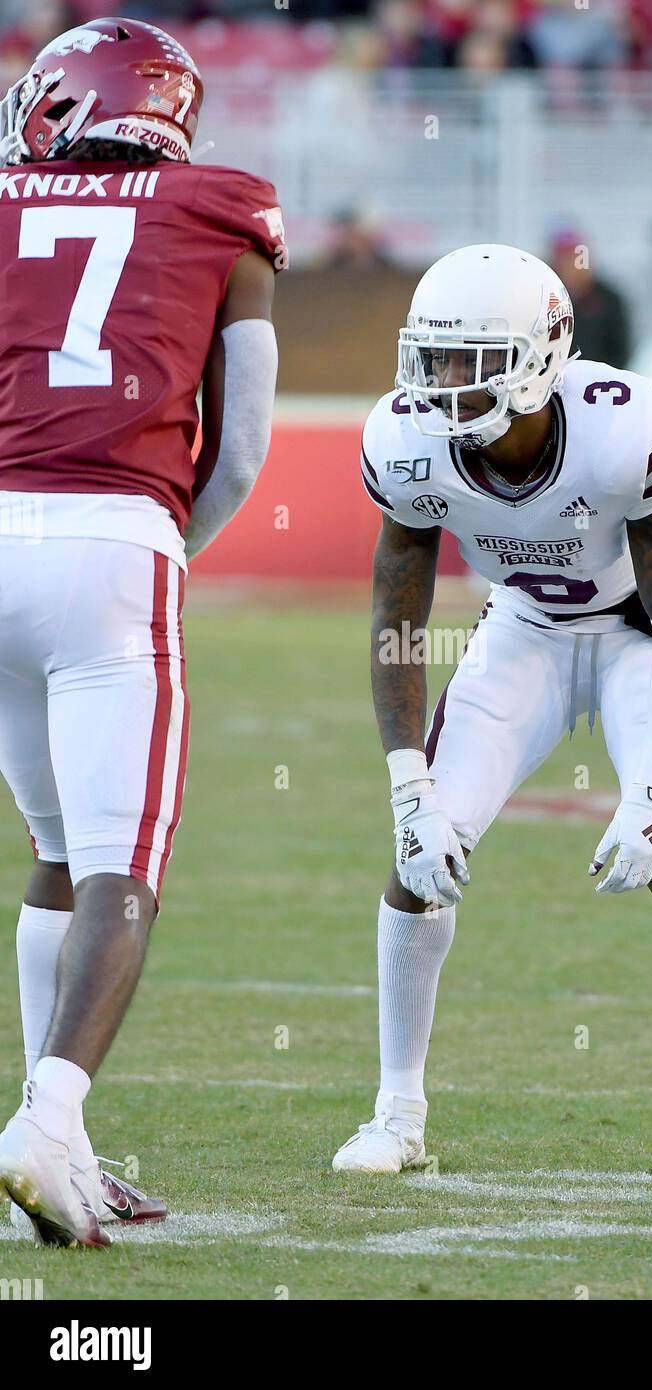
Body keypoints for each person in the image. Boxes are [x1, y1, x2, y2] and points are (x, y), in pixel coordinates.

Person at [332, 242, 652, 1185]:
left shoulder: (617, 427)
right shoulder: (406, 442)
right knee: (419, 856)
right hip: (523, 625)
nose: (444, 383)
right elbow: (397, 612)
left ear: (538, 359)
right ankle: (396, 1115)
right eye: (434, 359)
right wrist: (408, 788)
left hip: (640, 632)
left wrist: (649, 791)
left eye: (471, 359)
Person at [0, 17, 284, 1247]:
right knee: (124, 869)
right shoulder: (221, 211)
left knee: (57, 847)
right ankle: (48, 1119)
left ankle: (53, 1129)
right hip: (117, 543)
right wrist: (167, 541)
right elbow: (245, 446)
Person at [549, 228, 631, 368]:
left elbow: (620, 350)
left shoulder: (608, 300)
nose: (568, 264)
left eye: (572, 257)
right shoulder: (544, 297)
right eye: (563, 258)